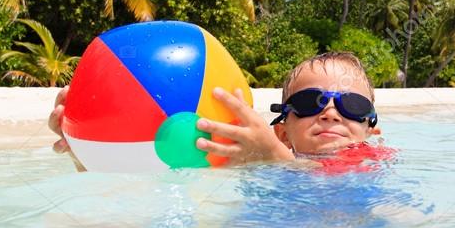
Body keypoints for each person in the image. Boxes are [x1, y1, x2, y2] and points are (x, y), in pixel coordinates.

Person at [48, 51, 385, 170]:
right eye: (310, 102)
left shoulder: (372, 160)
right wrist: (86, 149)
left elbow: (340, 200)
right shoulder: (251, 160)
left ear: (372, 131)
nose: (330, 112)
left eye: (353, 105)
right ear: (282, 131)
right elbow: (162, 172)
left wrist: (273, 157)